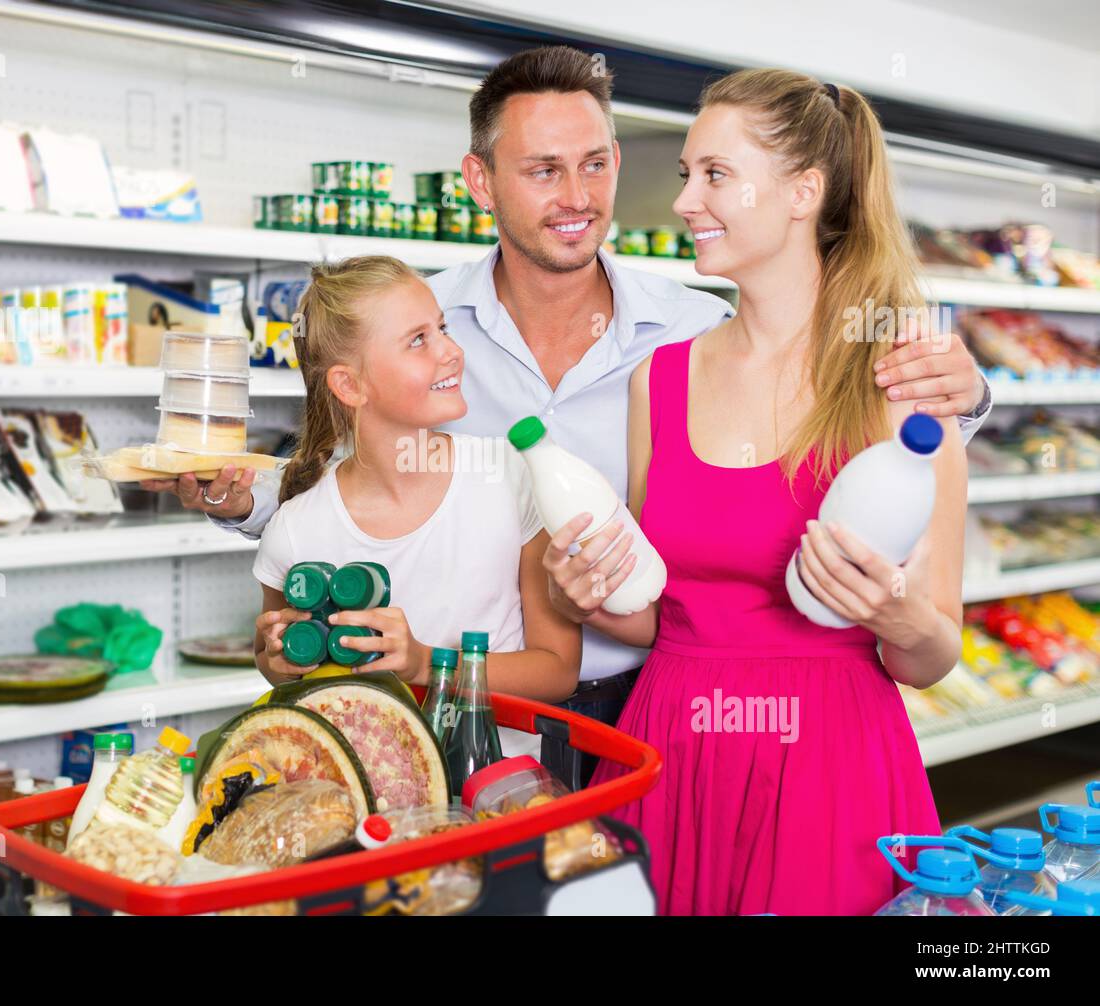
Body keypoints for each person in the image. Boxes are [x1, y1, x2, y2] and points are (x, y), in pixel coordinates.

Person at [142, 46, 990, 792]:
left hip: (648, 703)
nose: (577, 196)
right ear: (481, 181)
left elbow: (856, 444)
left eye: (595, 165)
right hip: (474, 708)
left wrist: (964, 393)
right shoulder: (416, 325)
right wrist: (242, 499)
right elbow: (345, 477)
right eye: (544, 170)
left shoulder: (692, 328)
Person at [544, 69, 967, 916]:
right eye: (686, 175)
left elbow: (930, 657)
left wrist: (898, 616)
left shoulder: (902, 385)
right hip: (669, 745)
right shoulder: (662, 379)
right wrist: (588, 594)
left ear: (805, 191)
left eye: (716, 176)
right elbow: (664, 610)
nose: (687, 201)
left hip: (830, 759)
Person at [251, 256, 581, 720]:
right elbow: (270, 664)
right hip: (365, 786)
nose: (451, 351)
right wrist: (283, 660)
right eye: (418, 340)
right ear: (350, 384)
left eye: (443, 329)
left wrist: (426, 663)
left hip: (496, 782)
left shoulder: (509, 476)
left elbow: (557, 670)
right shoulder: (296, 528)